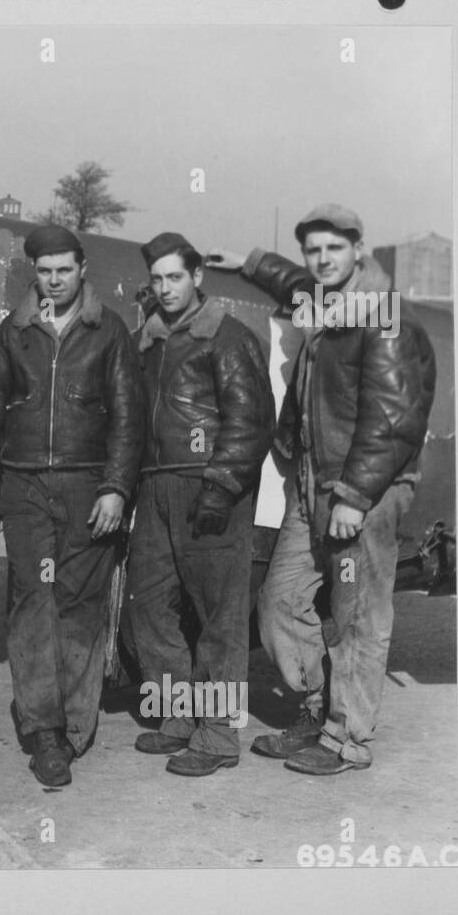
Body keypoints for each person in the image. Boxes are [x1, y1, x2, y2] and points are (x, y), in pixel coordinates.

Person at [208, 204, 435, 774]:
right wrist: (249, 262)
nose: (322, 259)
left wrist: (355, 498)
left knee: (358, 617)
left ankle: (348, 739)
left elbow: (394, 419)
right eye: (313, 250)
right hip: (314, 486)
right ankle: (316, 709)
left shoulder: (384, 319)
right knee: (281, 602)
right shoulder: (327, 302)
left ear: (359, 249)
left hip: (365, 492)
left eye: (334, 248)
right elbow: (295, 281)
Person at [0, 224, 144, 787]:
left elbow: (127, 419)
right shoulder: (13, 333)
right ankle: (44, 729)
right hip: (25, 488)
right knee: (32, 601)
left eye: (63, 270)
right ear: (34, 273)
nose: (54, 280)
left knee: (80, 604)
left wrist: (116, 488)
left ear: (82, 268)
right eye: (44, 271)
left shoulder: (109, 331)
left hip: (88, 488)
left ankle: (75, 727)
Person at [124, 232, 273, 777]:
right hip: (155, 487)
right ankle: (180, 714)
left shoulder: (228, 337)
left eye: (175, 277)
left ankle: (218, 734)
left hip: (210, 489)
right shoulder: (150, 341)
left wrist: (222, 485)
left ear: (197, 277)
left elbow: (251, 418)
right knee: (151, 605)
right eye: (157, 280)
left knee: (219, 616)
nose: (165, 288)